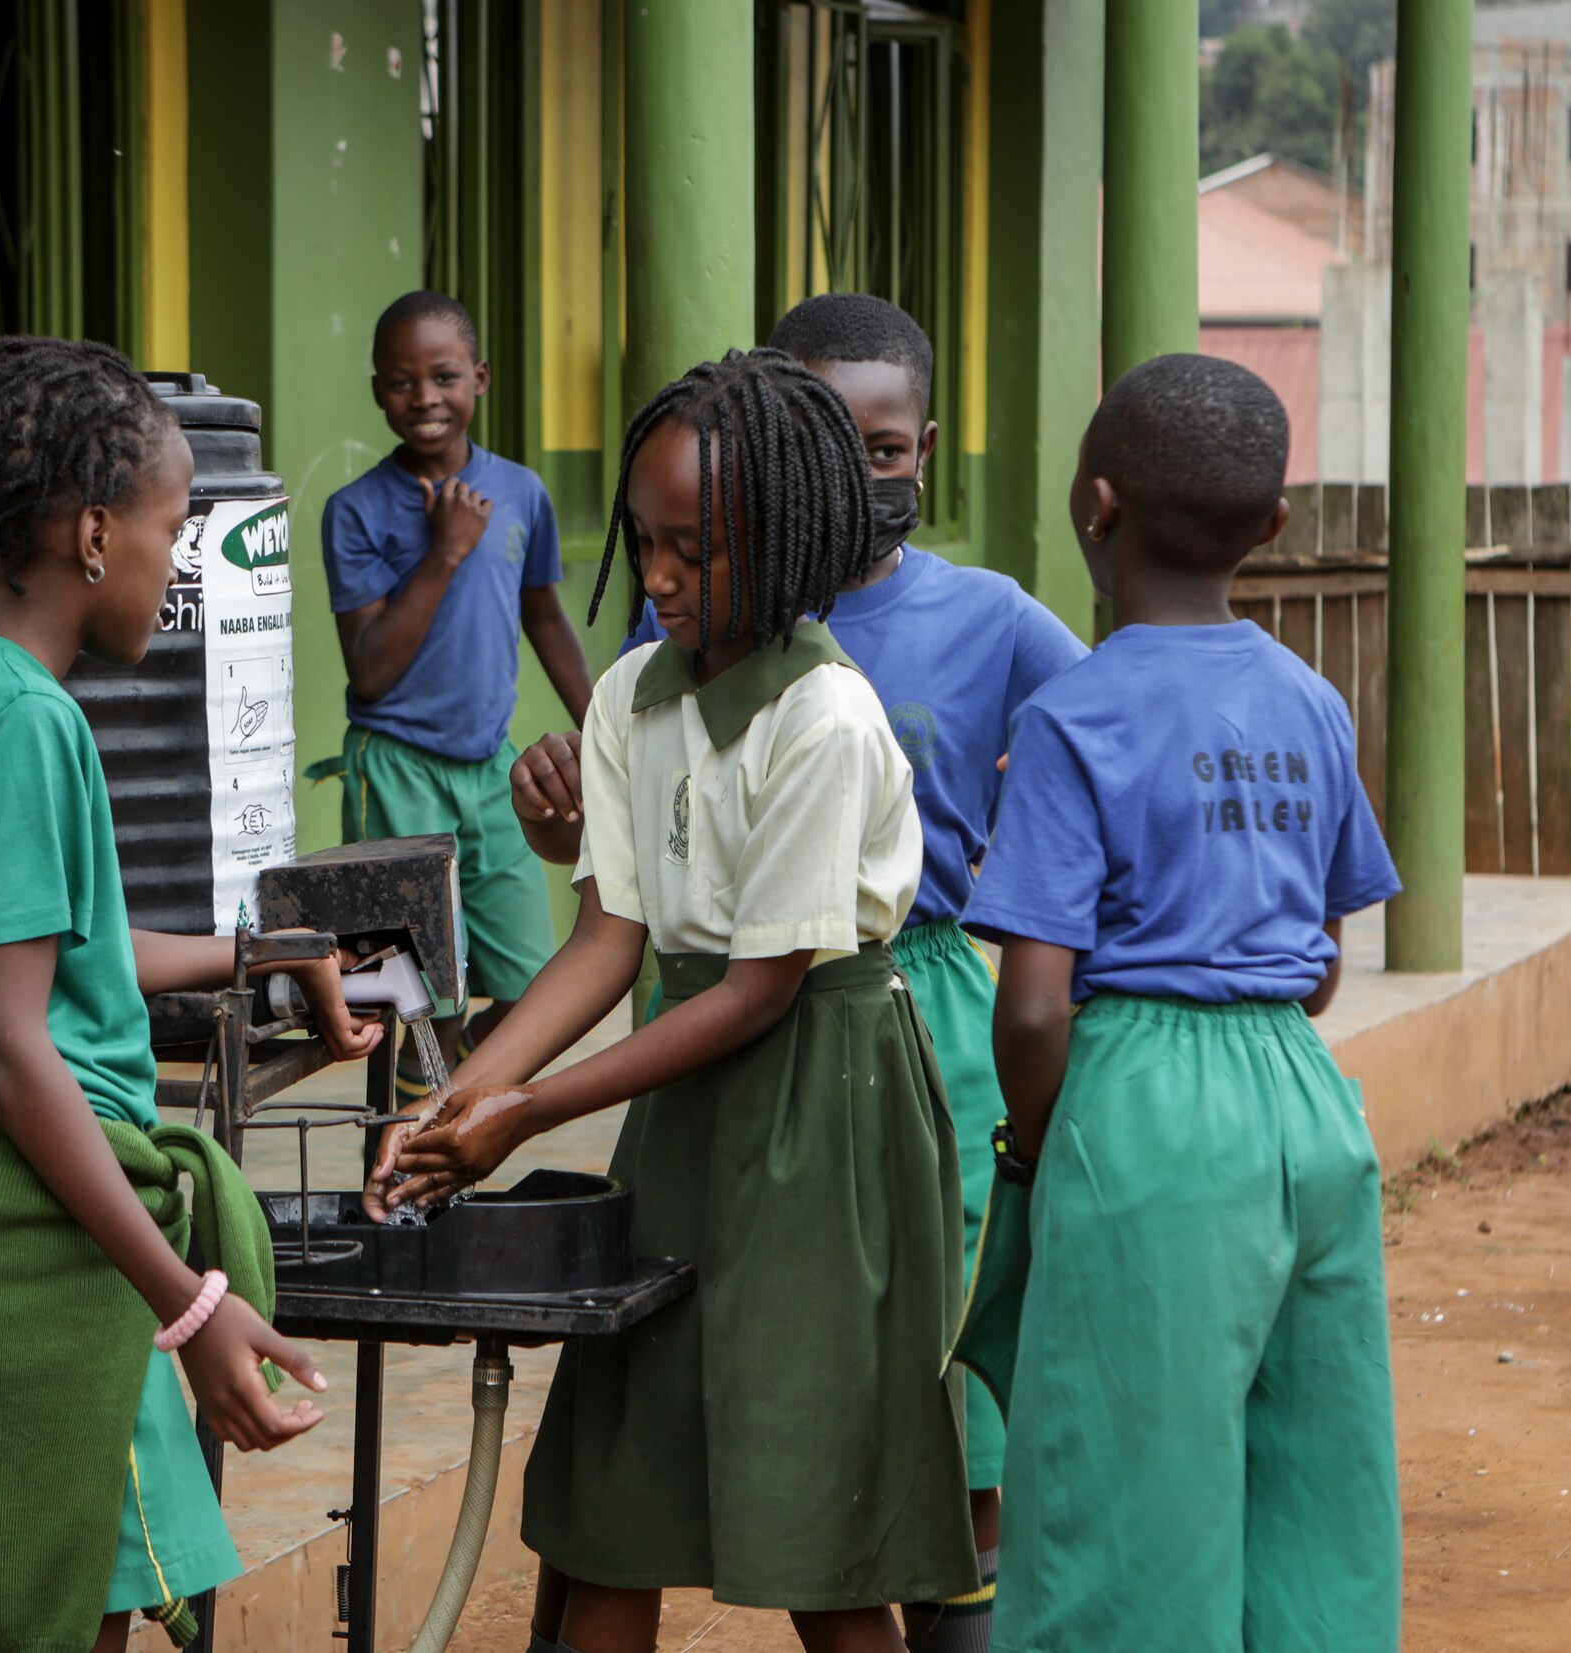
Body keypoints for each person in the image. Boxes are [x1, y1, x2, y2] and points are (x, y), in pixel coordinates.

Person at [374, 349, 978, 1653]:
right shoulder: (635, 698)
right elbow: (608, 939)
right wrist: (459, 1096)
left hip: (826, 1108)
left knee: (823, 1511)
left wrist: (528, 1112)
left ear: (786, 536)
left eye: (691, 551)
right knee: (620, 1499)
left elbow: (761, 993)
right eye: (642, 544)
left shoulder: (825, 717)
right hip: (685, 1107)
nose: (653, 579)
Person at [512, 294, 1085, 1650]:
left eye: (887, 447)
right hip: (698, 1034)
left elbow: (1098, 750)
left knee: (901, 1418)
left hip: (902, 1012)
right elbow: (626, 912)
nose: (657, 572)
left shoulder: (965, 631)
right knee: (652, 1424)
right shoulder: (658, 671)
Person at [0, 337, 382, 1653]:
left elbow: (60, 952)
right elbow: (11, 1044)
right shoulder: (32, 726)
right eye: (170, 527)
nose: (177, 559)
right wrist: (187, 1303)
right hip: (37, 1239)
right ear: (94, 534)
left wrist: (256, 952)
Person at [959, 354, 1403, 1652]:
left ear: (1096, 508)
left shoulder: (1073, 714)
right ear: (1271, 529)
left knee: (1124, 1522)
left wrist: (1042, 1151)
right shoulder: (1312, 703)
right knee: (1318, 1500)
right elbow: (1321, 961)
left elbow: (1036, 1006)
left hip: (1140, 1112)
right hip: (1310, 1115)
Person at [312, 290, 594, 1097]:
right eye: (402, 381)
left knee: (536, 980)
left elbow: (544, 618)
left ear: (481, 378)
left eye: (443, 376)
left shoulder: (523, 493)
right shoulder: (355, 511)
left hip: (491, 770)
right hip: (395, 769)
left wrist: (606, 725)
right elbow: (370, 669)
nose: (425, 398)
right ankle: (406, 1146)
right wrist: (444, 552)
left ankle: (450, 1064)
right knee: (417, 989)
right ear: (378, 393)